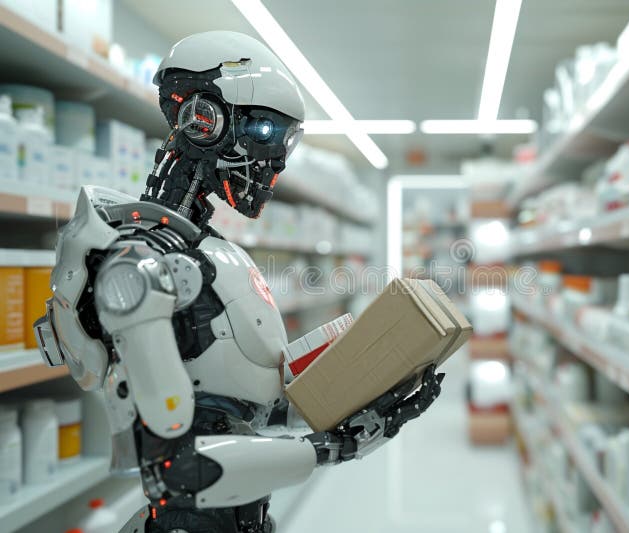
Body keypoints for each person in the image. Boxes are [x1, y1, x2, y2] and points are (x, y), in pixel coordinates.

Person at [33, 31, 443, 533]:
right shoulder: (138, 268)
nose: (276, 160)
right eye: (266, 133)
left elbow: (244, 413)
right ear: (203, 120)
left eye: (286, 142)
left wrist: (369, 407)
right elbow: (176, 471)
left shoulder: (212, 254)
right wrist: (335, 446)